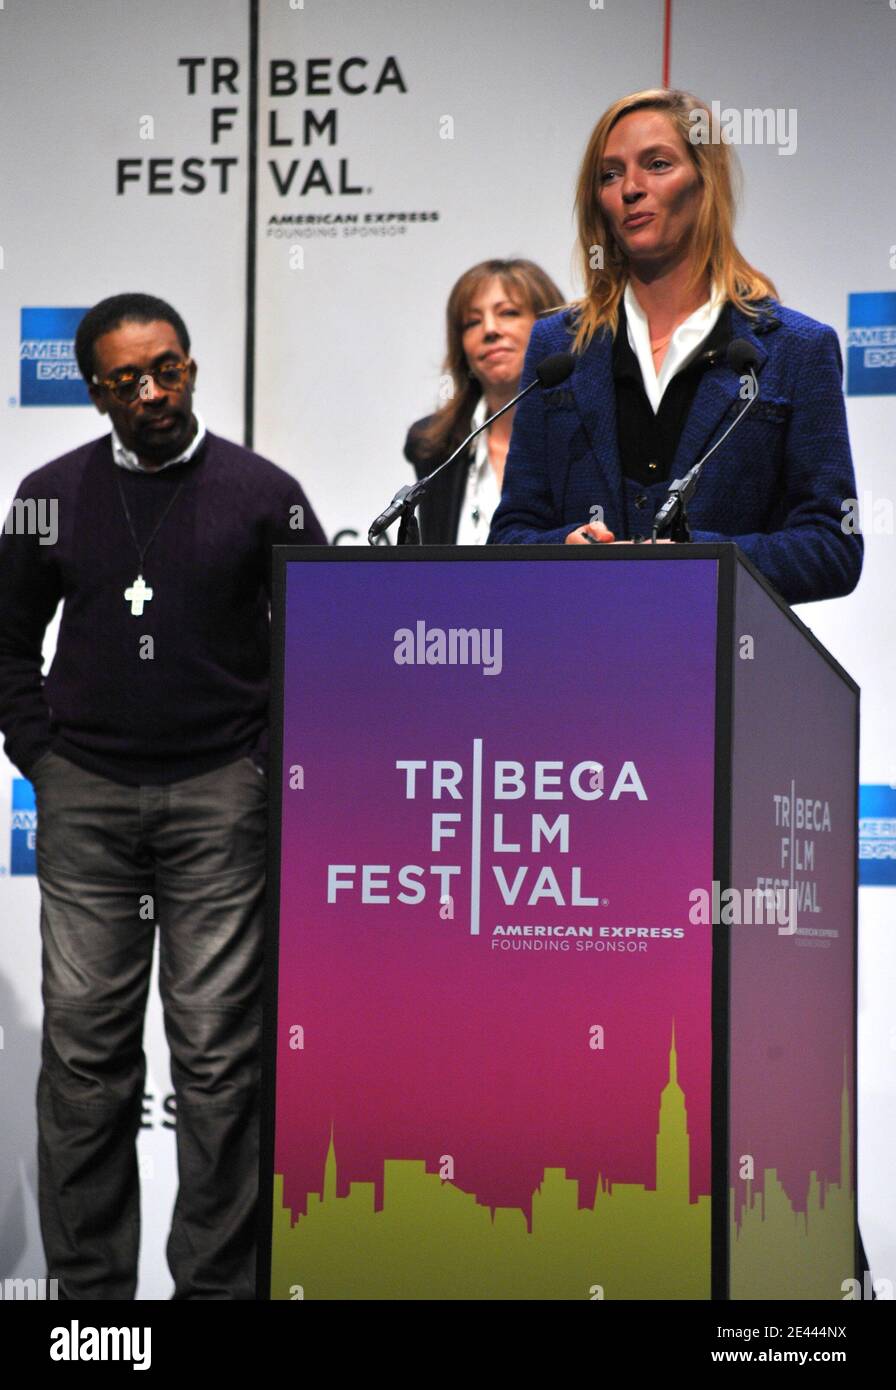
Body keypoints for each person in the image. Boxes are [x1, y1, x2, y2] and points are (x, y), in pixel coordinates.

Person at [0, 292, 326, 1300]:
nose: (152, 392)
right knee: (87, 1062)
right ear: (95, 390)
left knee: (221, 1066)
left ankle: (217, 1296)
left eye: (168, 369)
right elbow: (8, 639)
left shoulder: (265, 493)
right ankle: (91, 1304)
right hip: (87, 796)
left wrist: (265, 765)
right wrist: (41, 753)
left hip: (221, 797)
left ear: (190, 365)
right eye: (127, 380)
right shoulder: (47, 496)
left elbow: (315, 636)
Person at [487, 89, 863, 606]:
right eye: (610, 175)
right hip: (580, 662)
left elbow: (832, 547)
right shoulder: (559, 350)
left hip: (725, 663)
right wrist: (562, 549)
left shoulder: (795, 350)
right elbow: (512, 534)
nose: (631, 189)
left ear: (705, 183)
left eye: (657, 165)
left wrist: (705, 561)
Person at [404, 258, 563, 544]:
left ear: (549, 326)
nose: (489, 330)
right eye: (472, 322)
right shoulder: (435, 447)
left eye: (509, 313)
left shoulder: (583, 435)